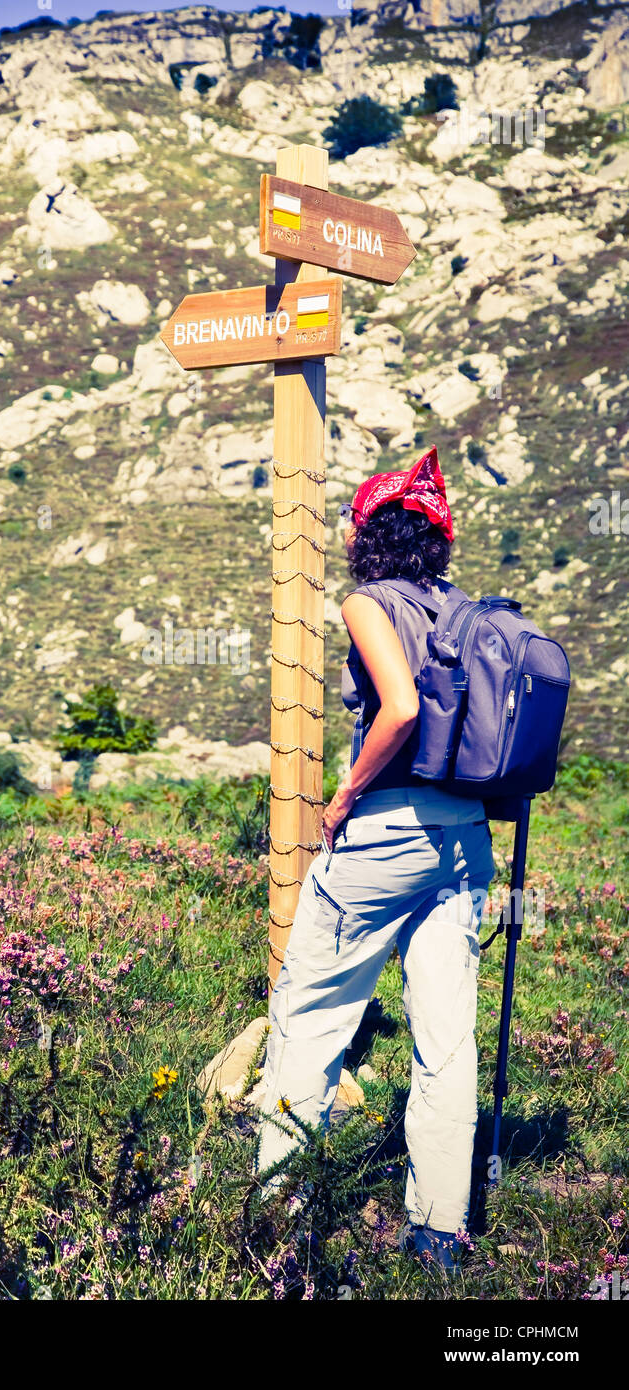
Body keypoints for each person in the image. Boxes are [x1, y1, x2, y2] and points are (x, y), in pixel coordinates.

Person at [253, 446, 496, 1273]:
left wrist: (345, 793)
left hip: (387, 833)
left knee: (312, 1013)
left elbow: (395, 709)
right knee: (445, 1041)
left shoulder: (367, 604)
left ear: (366, 535)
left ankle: (279, 1212)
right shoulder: (462, 613)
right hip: (464, 839)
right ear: (437, 539)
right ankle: (438, 1232)